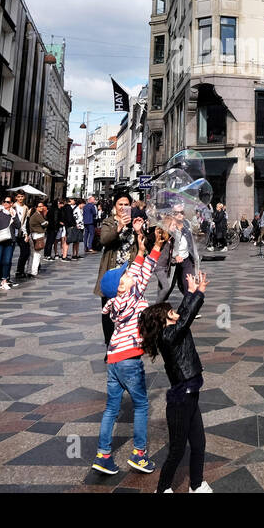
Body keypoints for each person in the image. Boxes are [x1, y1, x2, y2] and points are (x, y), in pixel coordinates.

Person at [93, 217, 161, 476]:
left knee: (111, 408)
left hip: (113, 360)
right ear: (122, 286)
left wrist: (143, 248)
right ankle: (139, 454)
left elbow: (139, 271)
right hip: (129, 360)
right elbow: (143, 272)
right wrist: (154, 249)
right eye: (124, 276)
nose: (128, 273)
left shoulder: (118, 301)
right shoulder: (133, 299)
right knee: (141, 405)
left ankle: (103, 455)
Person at [140, 269, 212, 493]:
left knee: (199, 444)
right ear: (164, 320)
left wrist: (189, 293)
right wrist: (198, 294)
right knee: (177, 450)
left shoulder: (171, 330)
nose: (175, 312)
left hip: (190, 394)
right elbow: (185, 318)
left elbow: (182, 315)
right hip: (181, 400)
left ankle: (197, 485)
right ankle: (162, 489)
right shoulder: (168, 336)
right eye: (170, 311)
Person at [94, 192, 140, 345]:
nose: (123, 207)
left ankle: (125, 343)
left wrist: (139, 231)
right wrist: (119, 227)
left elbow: (142, 246)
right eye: (120, 204)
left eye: (126, 204)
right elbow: (104, 240)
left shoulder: (134, 223)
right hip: (112, 273)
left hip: (129, 273)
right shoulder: (109, 222)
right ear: (115, 206)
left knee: (130, 309)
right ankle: (110, 344)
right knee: (108, 310)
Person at [27, 199, 49, 276]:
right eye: (39, 207)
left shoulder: (35, 215)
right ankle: (34, 271)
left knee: (33, 254)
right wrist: (47, 222)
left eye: (42, 206)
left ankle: (29, 270)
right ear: (36, 207)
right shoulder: (37, 215)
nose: (41, 208)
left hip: (34, 235)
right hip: (38, 235)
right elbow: (45, 224)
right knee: (37, 254)